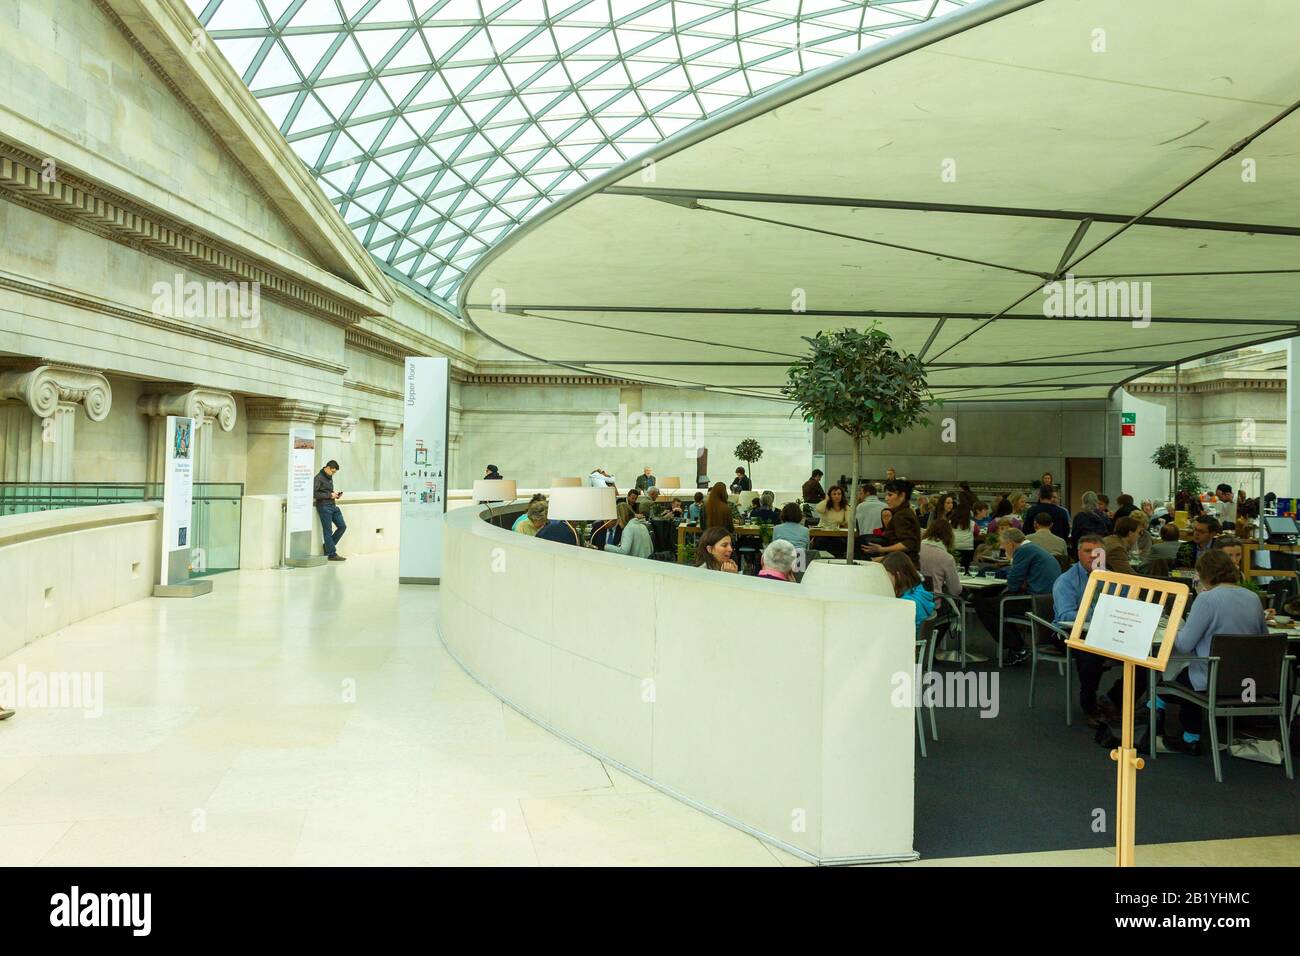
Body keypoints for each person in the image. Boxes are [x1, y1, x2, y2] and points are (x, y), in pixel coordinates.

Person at [1161, 549, 1268, 756]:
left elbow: (1183, 645)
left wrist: (1174, 627)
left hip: (1213, 679)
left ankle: (1188, 737)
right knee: (1184, 677)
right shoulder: (1253, 598)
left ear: (1204, 574)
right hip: (1248, 681)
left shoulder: (1207, 599)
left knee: (1169, 682)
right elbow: (1262, 639)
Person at [1051, 534, 1124, 727]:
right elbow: (1066, 616)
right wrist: (1101, 611)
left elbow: (1126, 604)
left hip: (1107, 632)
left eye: (1097, 552)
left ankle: (1114, 699)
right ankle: (1089, 706)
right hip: (1068, 633)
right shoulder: (1066, 581)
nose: (1092, 556)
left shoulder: (1113, 578)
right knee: (1091, 656)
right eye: (1087, 552)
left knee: (1146, 657)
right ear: (1078, 554)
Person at [974, 528, 1060, 665]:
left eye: (1003, 545)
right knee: (996, 604)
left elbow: (1013, 584)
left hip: (1036, 601)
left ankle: (1017, 647)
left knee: (982, 604)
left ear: (1011, 544)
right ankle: (1017, 645)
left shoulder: (1023, 551)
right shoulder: (1034, 548)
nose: (1002, 548)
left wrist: (1012, 561)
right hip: (1048, 600)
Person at [866, 479, 921, 566]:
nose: (886, 498)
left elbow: (908, 544)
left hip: (903, 567)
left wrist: (882, 549)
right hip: (907, 564)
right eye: (886, 495)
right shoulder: (906, 512)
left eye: (890, 495)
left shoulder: (901, 515)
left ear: (902, 495)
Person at [883, 552, 934, 634]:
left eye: (885, 576)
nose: (883, 580)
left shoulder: (905, 603)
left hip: (905, 644)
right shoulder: (918, 592)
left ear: (898, 576)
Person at [919, 518, 962, 597]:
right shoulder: (947, 558)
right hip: (933, 601)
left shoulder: (916, 549)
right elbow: (955, 590)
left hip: (914, 597)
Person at [314, 459, 347, 561]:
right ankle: (331, 553)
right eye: (332, 471)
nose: (333, 474)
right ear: (327, 468)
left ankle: (328, 547)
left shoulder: (329, 477)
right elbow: (314, 493)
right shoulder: (318, 478)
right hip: (324, 507)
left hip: (332, 505)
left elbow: (327, 491)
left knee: (342, 526)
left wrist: (335, 494)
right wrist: (329, 495)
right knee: (328, 531)